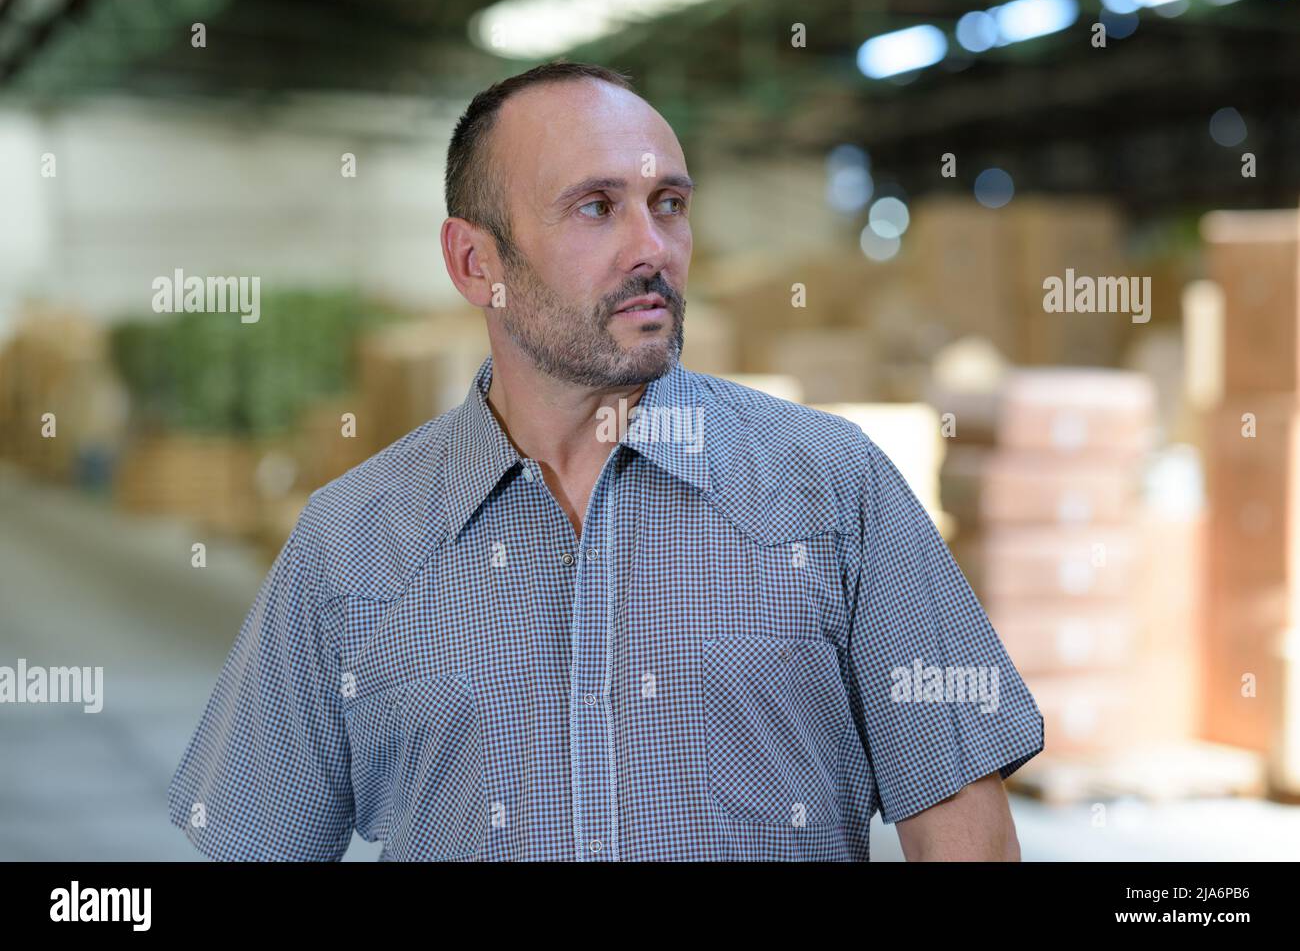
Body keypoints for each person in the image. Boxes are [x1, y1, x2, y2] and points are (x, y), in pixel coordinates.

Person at [167, 60, 1043, 861]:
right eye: (596, 207)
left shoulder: (832, 488)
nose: (652, 248)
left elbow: (961, 827)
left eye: (668, 203)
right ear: (475, 262)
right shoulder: (349, 546)